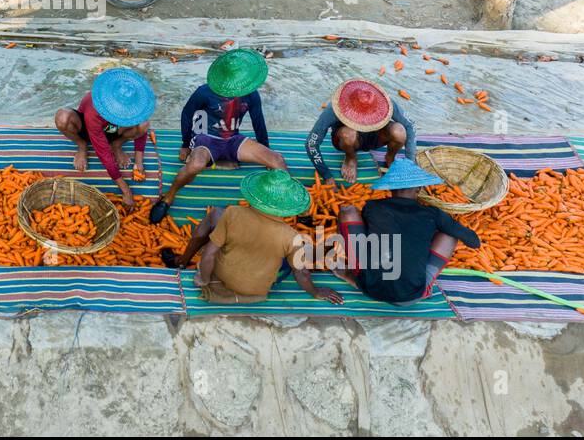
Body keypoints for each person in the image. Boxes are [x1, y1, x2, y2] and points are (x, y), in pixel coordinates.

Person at [160, 169, 343, 305]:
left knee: (216, 214)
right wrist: (316, 292)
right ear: (287, 207)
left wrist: (205, 279)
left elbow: (208, 256)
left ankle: (182, 261)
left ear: (256, 194)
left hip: (224, 276)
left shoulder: (232, 213)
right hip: (257, 287)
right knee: (299, 253)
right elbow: (301, 273)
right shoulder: (291, 236)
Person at [148, 48, 286, 224]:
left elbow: (258, 121)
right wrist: (185, 144)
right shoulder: (204, 92)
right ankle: (168, 197)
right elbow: (186, 115)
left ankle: (281, 204)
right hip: (207, 138)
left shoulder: (251, 93)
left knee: (278, 161)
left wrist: (265, 149)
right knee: (195, 165)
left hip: (233, 140)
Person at [331, 156, 480, 305]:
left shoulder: (373, 207)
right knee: (450, 235)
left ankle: (351, 274)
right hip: (411, 296)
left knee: (348, 211)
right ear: (419, 189)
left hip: (371, 289)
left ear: (389, 187)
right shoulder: (432, 213)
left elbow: (365, 233)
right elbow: (474, 242)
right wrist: (441, 224)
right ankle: (425, 287)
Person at [53, 67, 155, 213]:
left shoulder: (130, 106)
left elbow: (141, 125)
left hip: (114, 130)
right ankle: (82, 146)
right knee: (62, 117)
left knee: (144, 124)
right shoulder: (94, 110)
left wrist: (139, 163)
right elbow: (103, 153)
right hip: (88, 130)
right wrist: (125, 190)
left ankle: (117, 145)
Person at [306, 78, 416, 185]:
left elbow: (410, 125)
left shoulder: (386, 103)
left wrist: (410, 163)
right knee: (348, 134)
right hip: (348, 140)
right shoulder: (335, 108)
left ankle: (390, 157)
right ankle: (350, 157)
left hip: (375, 136)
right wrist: (326, 175)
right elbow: (311, 143)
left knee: (399, 131)